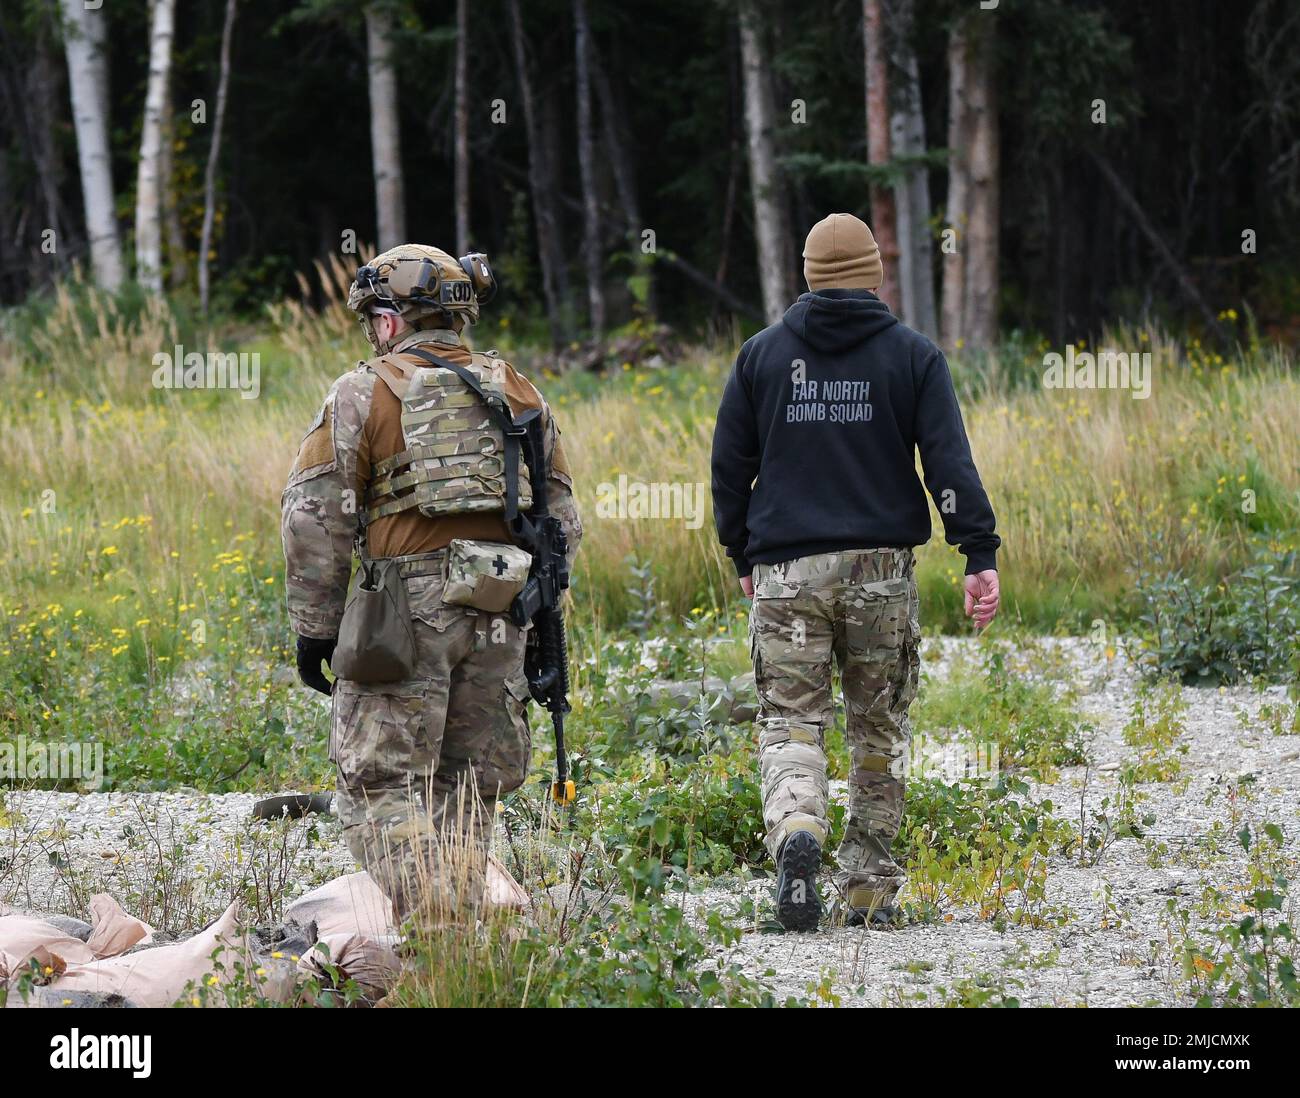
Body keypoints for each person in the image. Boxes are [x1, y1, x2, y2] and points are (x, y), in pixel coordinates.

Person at [710, 213, 1000, 932]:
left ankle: (797, 831)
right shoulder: (912, 355)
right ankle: (868, 889)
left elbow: (728, 467)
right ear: (875, 273)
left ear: (806, 274)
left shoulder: (761, 357)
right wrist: (977, 550)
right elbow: (948, 465)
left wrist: (741, 550)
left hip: (786, 571)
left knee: (791, 723)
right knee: (877, 729)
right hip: (880, 573)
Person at [280, 244, 581, 926]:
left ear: (390, 321)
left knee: (382, 785)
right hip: (504, 607)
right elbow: (562, 517)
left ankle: (440, 925)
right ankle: (452, 953)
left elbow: (312, 515)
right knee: (469, 790)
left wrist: (315, 627)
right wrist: (538, 613)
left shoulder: (362, 392)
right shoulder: (521, 392)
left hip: (404, 613)